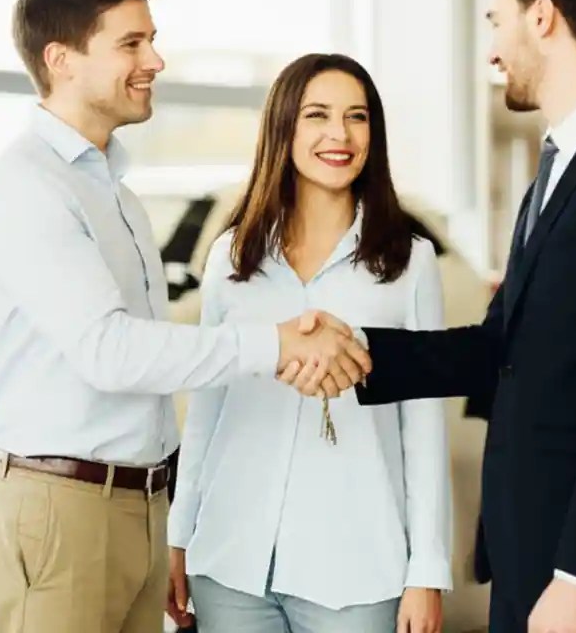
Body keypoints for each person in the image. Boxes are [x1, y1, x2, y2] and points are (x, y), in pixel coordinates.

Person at [286, 0, 576, 633]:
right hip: (535, 549)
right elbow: (501, 347)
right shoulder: (564, 167)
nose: (491, 48)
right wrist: (356, 348)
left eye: (497, 19)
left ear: (542, 17)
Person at [0, 0, 371, 633]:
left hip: (133, 506)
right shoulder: (30, 188)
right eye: (131, 43)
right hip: (61, 511)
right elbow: (111, 352)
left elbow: (150, 358)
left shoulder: (113, 194)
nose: (155, 59)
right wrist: (275, 344)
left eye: (151, 39)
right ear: (60, 59)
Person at [166, 54, 453, 633]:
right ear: (283, 129)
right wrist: (180, 536)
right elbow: (206, 411)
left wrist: (427, 570)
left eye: (357, 117)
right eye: (317, 115)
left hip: (357, 570)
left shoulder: (410, 263)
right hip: (231, 560)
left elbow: (424, 429)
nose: (339, 135)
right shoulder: (232, 257)